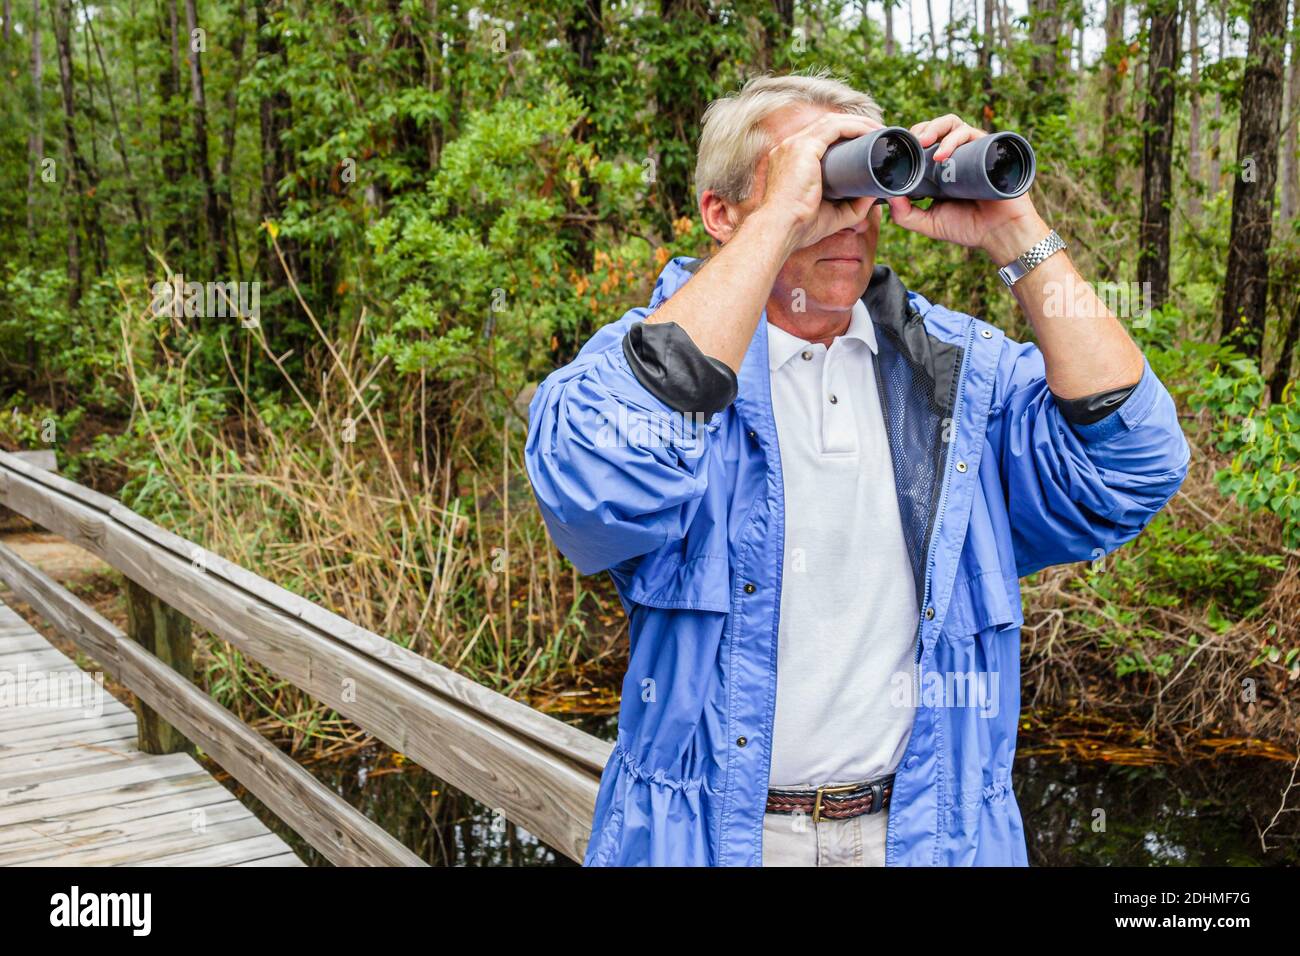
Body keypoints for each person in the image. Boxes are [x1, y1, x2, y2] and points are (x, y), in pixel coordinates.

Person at [523, 72, 1190, 866]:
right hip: (714, 839)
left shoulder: (955, 376)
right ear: (721, 212)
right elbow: (593, 492)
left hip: (927, 837)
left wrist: (1016, 231)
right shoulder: (646, 372)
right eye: (818, 179)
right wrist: (779, 219)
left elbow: (1136, 464)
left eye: (861, 183)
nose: (846, 215)